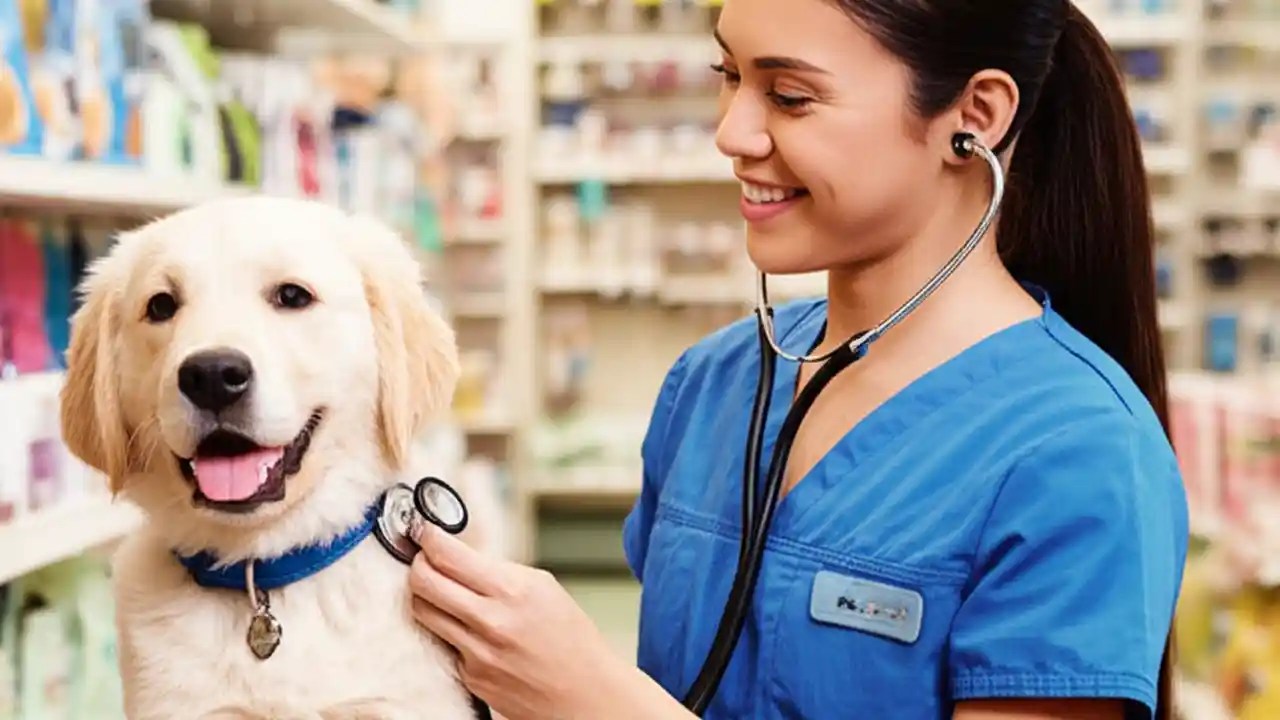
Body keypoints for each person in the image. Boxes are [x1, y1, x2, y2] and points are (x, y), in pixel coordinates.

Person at [406, 0, 1190, 718]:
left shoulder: (1080, 453)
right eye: (730, 76)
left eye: (789, 97)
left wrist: (591, 697)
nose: (731, 133)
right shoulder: (713, 385)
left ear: (974, 119)